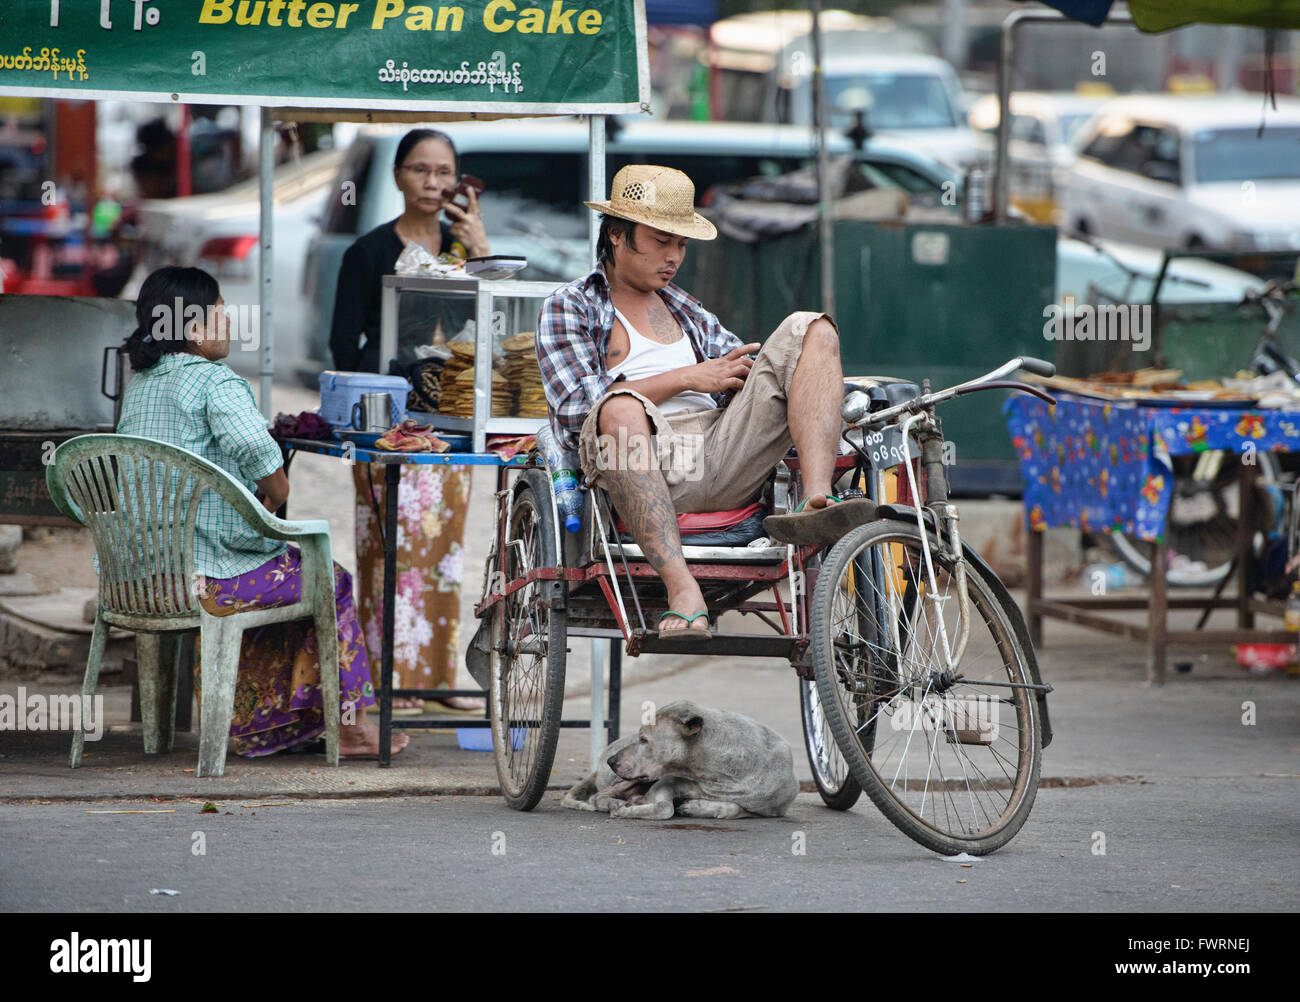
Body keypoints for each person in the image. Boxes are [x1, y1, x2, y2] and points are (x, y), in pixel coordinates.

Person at [536, 164, 873, 640]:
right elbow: (574, 407)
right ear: (615, 234)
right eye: (660, 240)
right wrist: (686, 377)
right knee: (619, 408)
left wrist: (788, 381)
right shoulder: (571, 304)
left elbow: (742, 373)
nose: (673, 256)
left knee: (810, 328)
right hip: (634, 463)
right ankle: (683, 590)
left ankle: (816, 502)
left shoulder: (684, 307)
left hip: (722, 453)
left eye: (681, 244)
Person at [116, 266, 407, 757]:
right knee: (327, 578)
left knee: (281, 567)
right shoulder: (212, 382)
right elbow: (261, 457)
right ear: (191, 327)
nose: (229, 322)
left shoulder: (142, 384)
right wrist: (275, 494)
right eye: (220, 312)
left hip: (142, 577)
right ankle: (351, 729)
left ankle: (270, 725)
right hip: (208, 582)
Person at [329, 129, 487, 712]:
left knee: (441, 556)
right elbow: (342, 344)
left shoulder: (461, 246)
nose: (434, 183)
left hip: (446, 414)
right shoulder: (366, 253)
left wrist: (479, 245)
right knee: (387, 552)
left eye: (444, 172)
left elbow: (483, 327)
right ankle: (383, 681)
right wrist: (363, 418)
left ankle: (437, 681)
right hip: (384, 419)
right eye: (421, 170)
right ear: (398, 175)